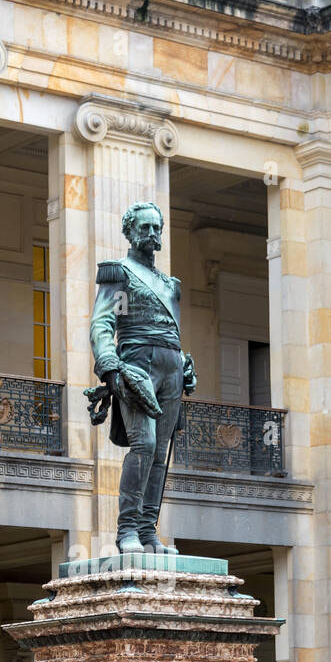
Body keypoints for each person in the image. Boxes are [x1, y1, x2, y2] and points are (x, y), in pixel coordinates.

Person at [86, 201, 197, 554]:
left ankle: (149, 532)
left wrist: (184, 362)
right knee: (144, 445)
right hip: (138, 366)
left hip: (171, 368)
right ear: (130, 232)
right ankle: (128, 531)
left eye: (156, 228)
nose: (151, 234)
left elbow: (172, 330)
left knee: (161, 453)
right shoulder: (120, 274)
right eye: (144, 227)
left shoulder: (170, 285)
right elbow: (104, 322)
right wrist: (109, 363)